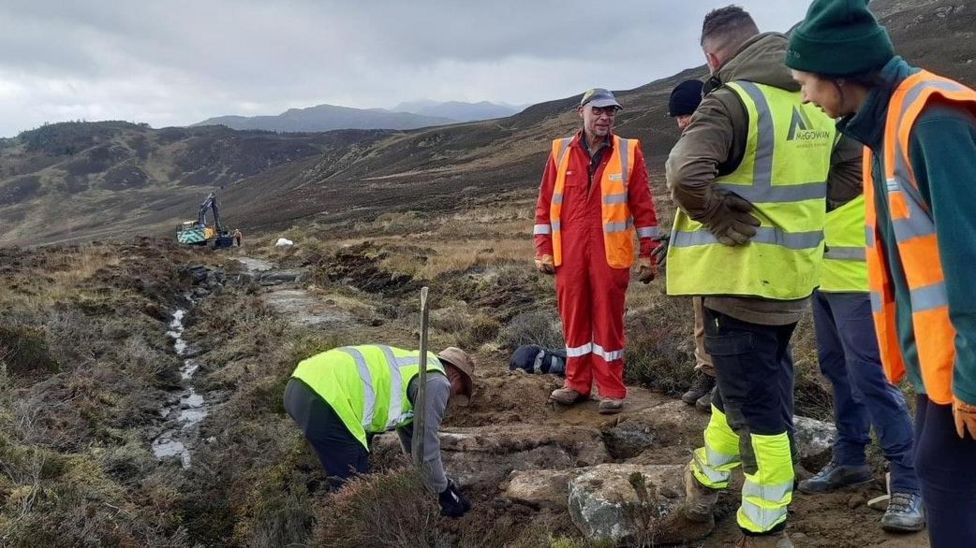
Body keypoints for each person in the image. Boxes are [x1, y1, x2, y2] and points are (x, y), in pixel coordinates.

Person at [666, 6, 860, 546]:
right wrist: (802, 214)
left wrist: (717, 213)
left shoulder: (733, 100)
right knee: (739, 386)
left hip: (739, 282)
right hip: (792, 280)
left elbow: (683, 173)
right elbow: (856, 167)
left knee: (758, 410)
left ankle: (765, 519)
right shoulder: (813, 97)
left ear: (713, 58)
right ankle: (706, 481)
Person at [786, 1, 976, 545]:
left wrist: (971, 379)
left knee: (944, 476)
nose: (805, 97)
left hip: (963, 361)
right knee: (938, 469)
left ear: (840, 77)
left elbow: (970, 256)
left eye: (806, 83)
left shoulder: (932, 121)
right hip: (940, 359)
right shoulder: (884, 126)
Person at [799, 175, 924, 531]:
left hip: (859, 280)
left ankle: (909, 483)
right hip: (823, 276)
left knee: (870, 377)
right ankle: (850, 458)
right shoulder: (823, 143)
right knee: (835, 368)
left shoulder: (858, 146)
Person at [533, 88, 663, 415]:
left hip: (611, 253)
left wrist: (649, 254)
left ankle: (611, 389)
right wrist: (543, 249)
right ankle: (576, 383)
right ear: (582, 112)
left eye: (611, 112)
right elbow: (545, 204)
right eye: (598, 111)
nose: (605, 117)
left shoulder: (628, 152)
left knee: (608, 320)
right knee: (573, 317)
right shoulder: (561, 151)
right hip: (570, 253)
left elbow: (644, 208)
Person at [283, 345, 475, 518]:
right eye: (459, 391)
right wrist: (444, 492)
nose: (453, 398)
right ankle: (341, 532)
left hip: (301, 384)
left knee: (349, 475)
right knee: (354, 491)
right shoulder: (437, 382)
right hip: (326, 395)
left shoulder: (417, 368)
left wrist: (438, 483)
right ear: (455, 376)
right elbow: (426, 445)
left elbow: (414, 442)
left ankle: (333, 524)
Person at [667, 79, 718, 412]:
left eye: (686, 114)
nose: (682, 122)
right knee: (702, 315)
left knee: (723, 317)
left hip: (725, 245)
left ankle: (724, 380)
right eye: (678, 117)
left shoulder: (719, 140)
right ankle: (707, 373)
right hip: (700, 249)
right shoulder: (691, 146)